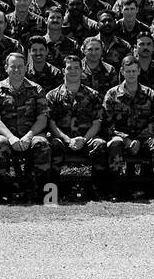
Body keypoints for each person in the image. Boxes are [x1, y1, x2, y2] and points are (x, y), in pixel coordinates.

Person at [104, 55, 154, 201]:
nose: (131, 74)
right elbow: (107, 124)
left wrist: (140, 139)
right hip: (122, 139)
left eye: (134, 71)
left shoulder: (149, 93)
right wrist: (127, 140)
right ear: (122, 71)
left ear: (139, 71)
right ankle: (115, 189)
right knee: (115, 143)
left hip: (144, 139)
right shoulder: (112, 94)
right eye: (128, 71)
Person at [0, 52, 51, 202]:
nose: (17, 70)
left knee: (42, 144)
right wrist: (11, 137)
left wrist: (28, 136)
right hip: (7, 134)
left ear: (26, 67)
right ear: (6, 68)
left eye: (20, 66)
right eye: (13, 66)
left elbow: (42, 118)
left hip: (32, 133)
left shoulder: (37, 89)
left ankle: (41, 194)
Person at [45, 56, 107, 197]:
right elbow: (51, 123)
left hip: (86, 140)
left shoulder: (93, 95)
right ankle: (53, 193)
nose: (73, 71)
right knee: (52, 145)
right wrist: (68, 140)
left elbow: (97, 123)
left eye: (76, 68)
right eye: (69, 68)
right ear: (63, 70)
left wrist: (84, 140)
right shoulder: (52, 96)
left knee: (101, 144)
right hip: (62, 140)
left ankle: (96, 192)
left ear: (82, 70)